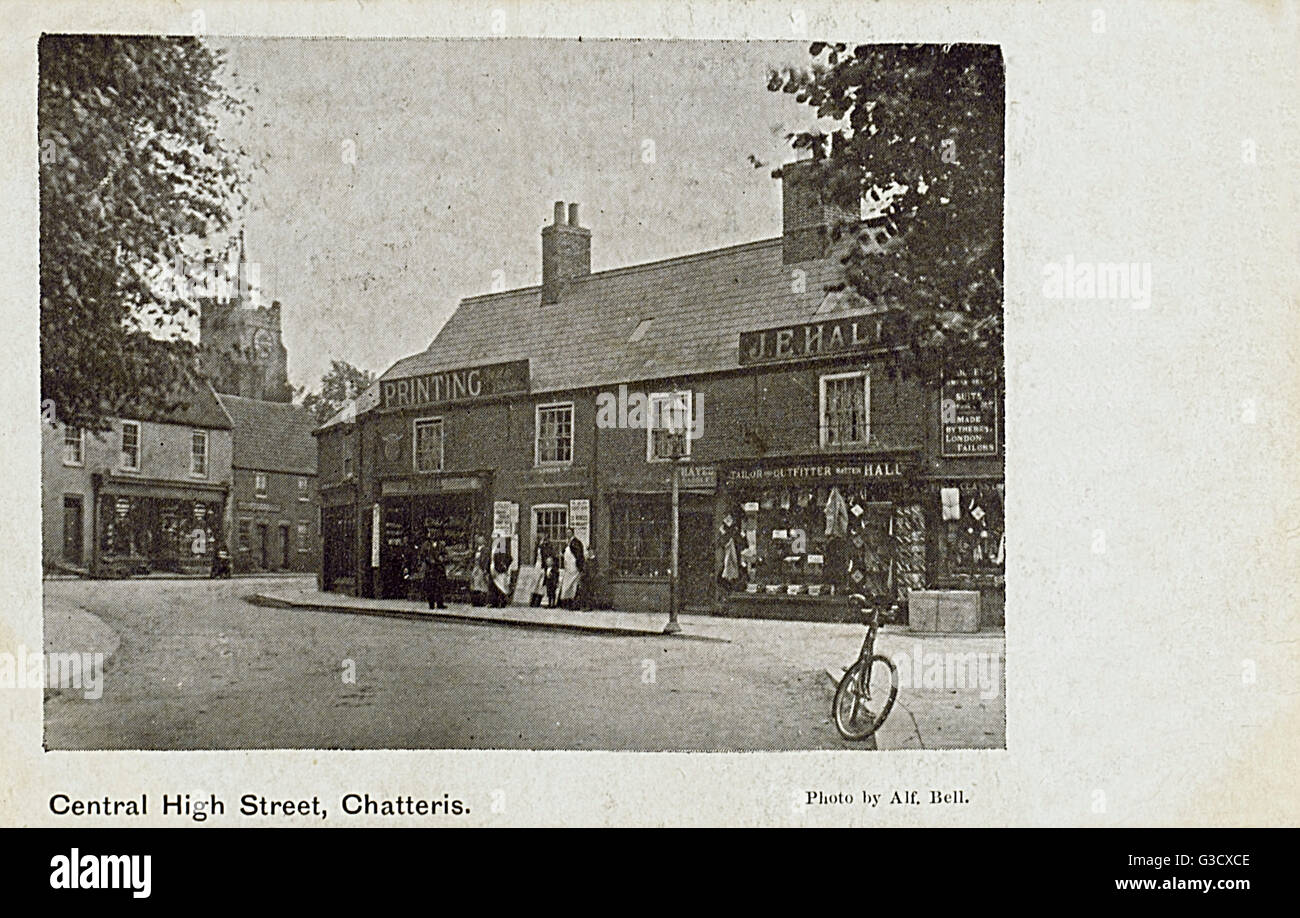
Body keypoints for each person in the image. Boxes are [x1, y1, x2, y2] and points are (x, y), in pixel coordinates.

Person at [558, 528, 585, 609]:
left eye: (569, 532)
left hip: (574, 568)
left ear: (573, 533)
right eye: (567, 533)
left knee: (573, 586)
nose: (568, 534)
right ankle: (567, 603)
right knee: (567, 586)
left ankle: (574, 604)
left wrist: (579, 567)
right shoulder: (568, 543)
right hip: (568, 569)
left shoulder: (576, 542)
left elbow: (579, 555)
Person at [421, 532, 448, 610]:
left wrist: (442, 558)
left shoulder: (441, 545)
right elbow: (422, 555)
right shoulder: (426, 545)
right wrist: (428, 560)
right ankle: (431, 603)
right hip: (430, 569)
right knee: (430, 587)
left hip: (439, 569)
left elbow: (446, 555)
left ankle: (440, 603)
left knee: (439, 586)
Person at [489, 533, 513, 608]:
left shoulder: (501, 544)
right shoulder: (494, 545)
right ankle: (495, 602)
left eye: (495, 536)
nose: (493, 538)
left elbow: (507, 557)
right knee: (495, 586)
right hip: (493, 567)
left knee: (501, 586)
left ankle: (502, 602)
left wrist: (504, 565)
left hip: (499, 569)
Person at [468, 536, 490, 607]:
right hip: (476, 568)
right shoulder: (476, 549)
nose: (478, 541)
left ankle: (481, 601)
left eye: (480, 540)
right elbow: (473, 559)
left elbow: (486, 560)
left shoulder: (485, 550)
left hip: (481, 568)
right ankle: (476, 601)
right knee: (475, 584)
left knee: (481, 585)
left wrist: (485, 569)